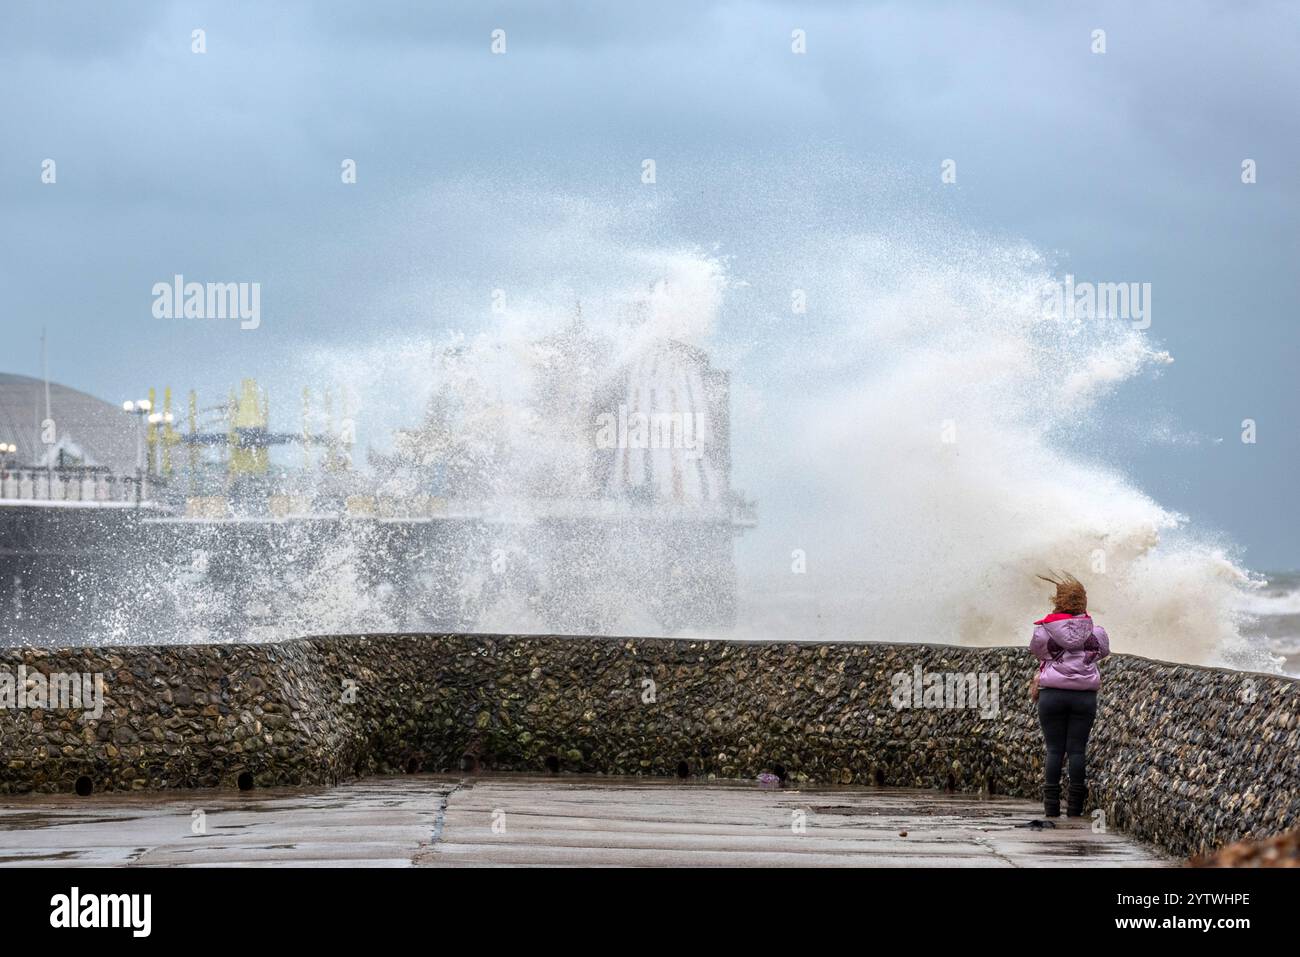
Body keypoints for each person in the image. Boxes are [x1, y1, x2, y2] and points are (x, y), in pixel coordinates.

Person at [1030, 572, 1110, 818]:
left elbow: (1037, 652)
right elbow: (1103, 652)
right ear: (1083, 602)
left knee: (1054, 750)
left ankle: (1051, 807)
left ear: (1058, 601)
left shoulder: (1045, 631)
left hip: (1052, 695)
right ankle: (1075, 808)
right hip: (1083, 697)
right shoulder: (1096, 632)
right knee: (1077, 750)